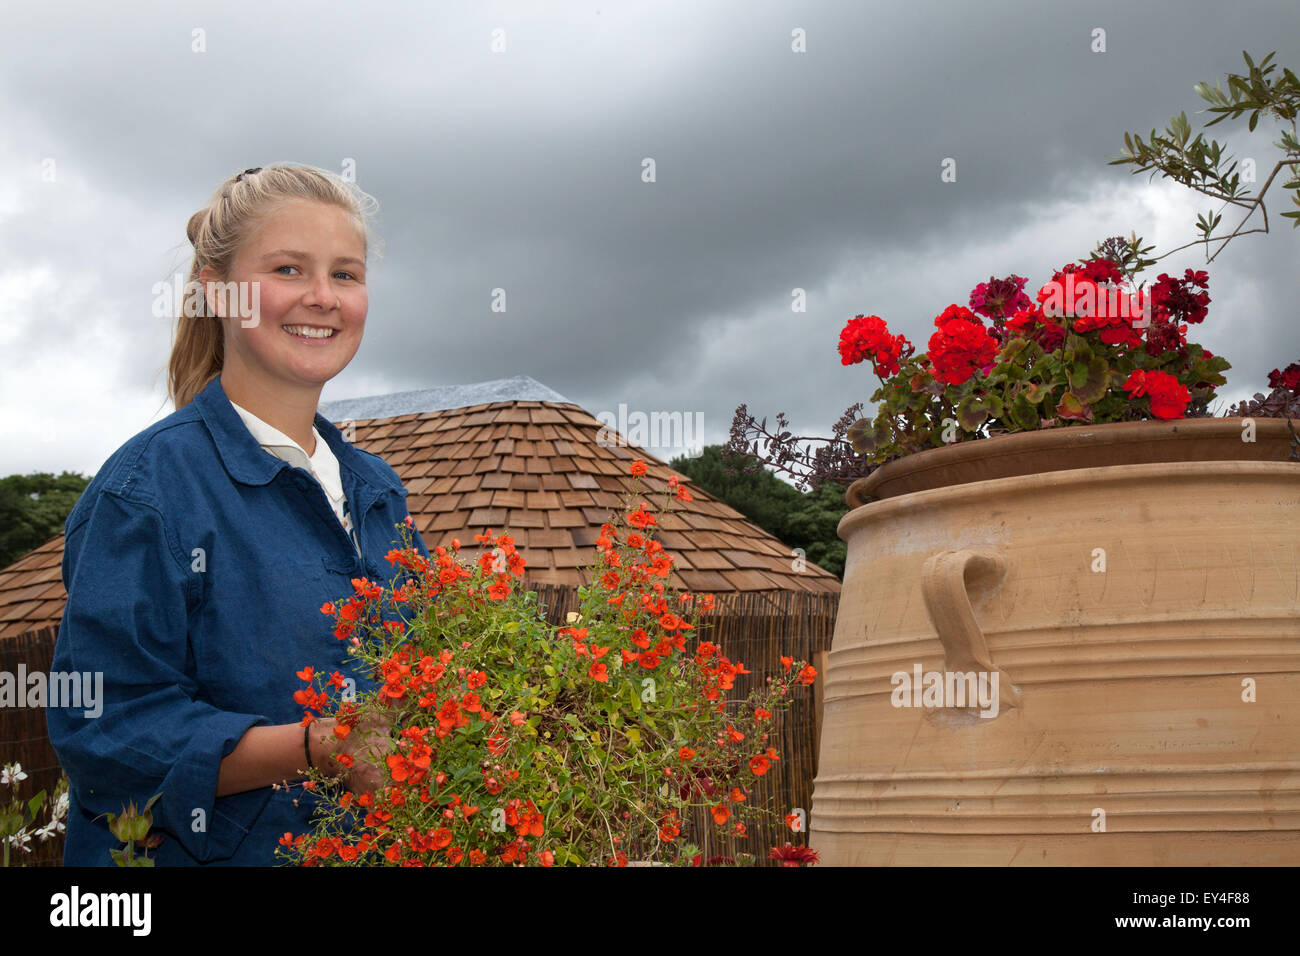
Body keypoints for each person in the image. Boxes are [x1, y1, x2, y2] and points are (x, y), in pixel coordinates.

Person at [46, 163, 426, 865]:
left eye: (346, 274)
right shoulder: (146, 490)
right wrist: (321, 746)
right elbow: (103, 729)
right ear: (216, 292)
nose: (323, 297)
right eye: (289, 268)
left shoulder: (380, 491)